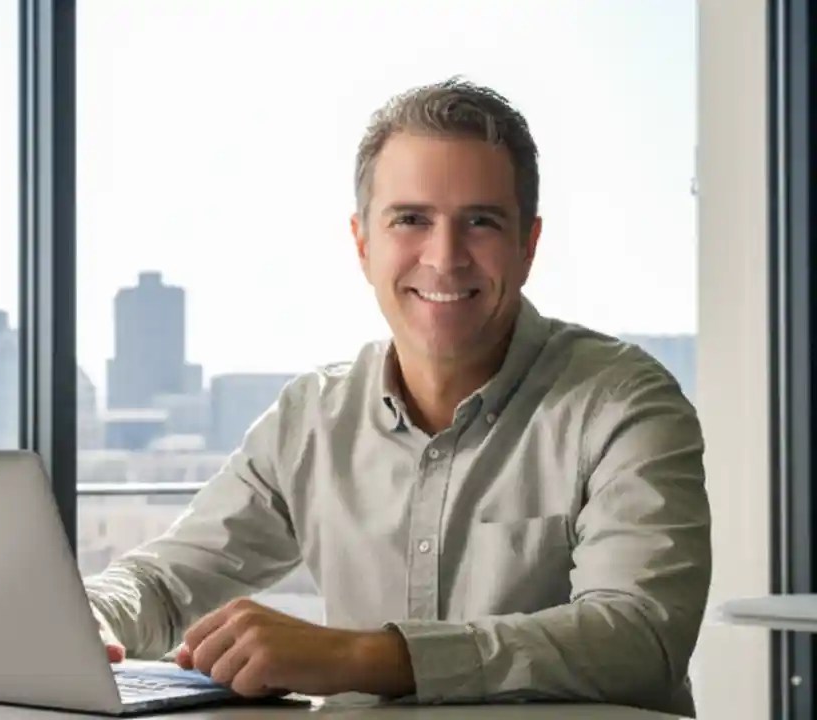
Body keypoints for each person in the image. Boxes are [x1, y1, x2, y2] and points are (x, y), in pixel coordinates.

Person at [84, 77, 710, 717]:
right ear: (363, 244)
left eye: (481, 222)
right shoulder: (312, 418)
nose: (445, 257)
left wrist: (363, 657)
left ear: (528, 246)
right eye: (411, 219)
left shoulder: (622, 404)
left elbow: (642, 638)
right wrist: (89, 624)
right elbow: (163, 582)